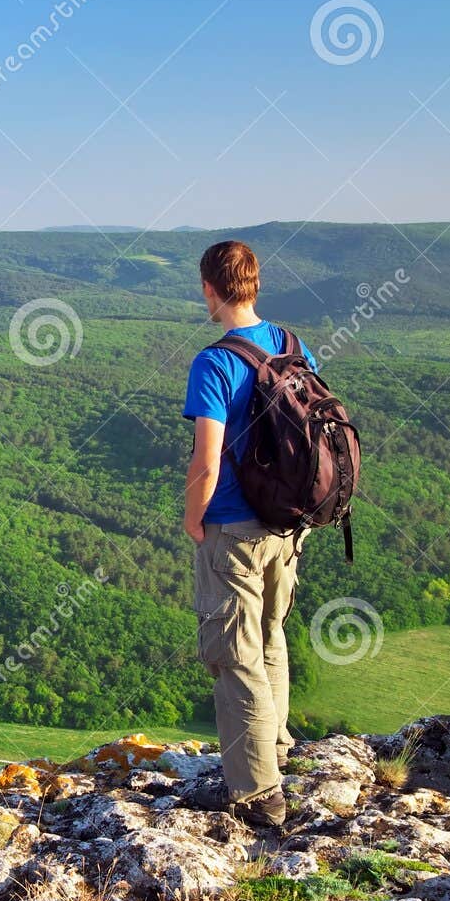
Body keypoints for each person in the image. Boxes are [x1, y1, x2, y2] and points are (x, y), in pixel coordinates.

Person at [181, 240, 316, 830]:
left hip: (232, 525)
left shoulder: (213, 363)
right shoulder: (292, 344)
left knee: (234, 656)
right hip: (286, 523)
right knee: (269, 638)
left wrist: (194, 516)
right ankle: (274, 752)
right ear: (255, 285)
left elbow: (207, 460)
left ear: (211, 289)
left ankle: (257, 793)